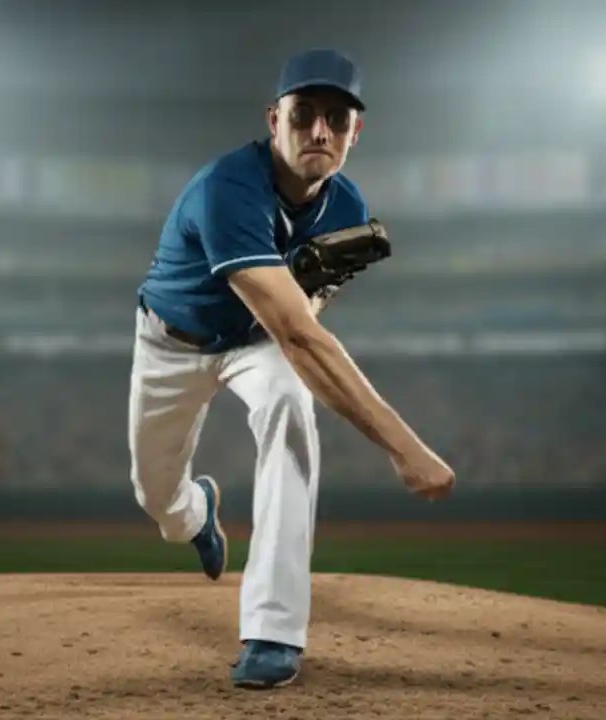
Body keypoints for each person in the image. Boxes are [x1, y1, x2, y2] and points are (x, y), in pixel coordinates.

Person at [127, 48, 456, 689]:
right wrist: (405, 447)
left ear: (356, 132)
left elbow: (302, 316)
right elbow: (304, 337)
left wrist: (305, 300)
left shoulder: (347, 210)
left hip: (256, 341)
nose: (320, 132)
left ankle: (273, 632)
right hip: (172, 344)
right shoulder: (228, 190)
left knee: (290, 406)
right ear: (273, 119)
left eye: (338, 118)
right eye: (304, 114)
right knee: (155, 497)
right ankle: (195, 515)